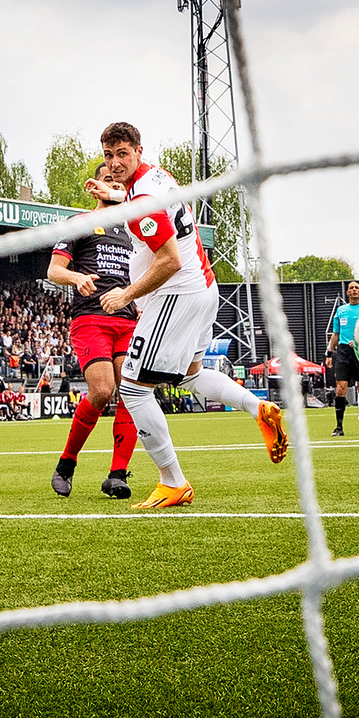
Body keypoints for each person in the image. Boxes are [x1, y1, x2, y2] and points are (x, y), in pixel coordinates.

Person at [91, 121, 288, 509]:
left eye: (122, 154)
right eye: (109, 156)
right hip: (204, 286)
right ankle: (258, 408)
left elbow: (167, 260)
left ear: (138, 152)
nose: (114, 163)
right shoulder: (158, 177)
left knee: (131, 388)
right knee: (192, 374)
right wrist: (116, 195)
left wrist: (125, 295)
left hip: (175, 295)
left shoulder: (142, 200)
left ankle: (173, 482)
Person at [48, 161, 139, 499]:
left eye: (120, 181)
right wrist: (77, 277)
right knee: (102, 391)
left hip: (128, 320)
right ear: (96, 186)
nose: (114, 184)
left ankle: (117, 474)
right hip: (91, 317)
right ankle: (67, 463)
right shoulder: (80, 223)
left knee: (132, 392)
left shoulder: (134, 230)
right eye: (107, 179)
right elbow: (54, 270)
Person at [324, 281, 359, 437]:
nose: (354, 290)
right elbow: (335, 334)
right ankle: (339, 427)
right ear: (347, 293)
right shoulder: (341, 311)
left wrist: (358, 340)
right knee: (340, 388)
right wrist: (329, 354)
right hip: (343, 352)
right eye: (351, 288)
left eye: (357, 288)